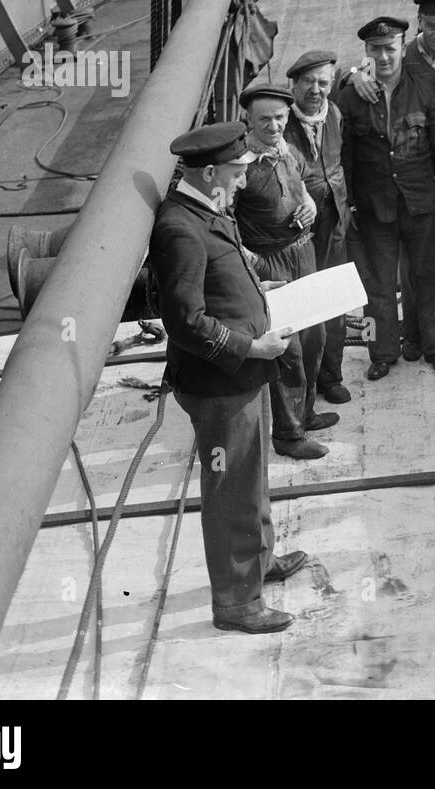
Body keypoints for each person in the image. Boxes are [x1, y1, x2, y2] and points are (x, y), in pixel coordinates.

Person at [149, 122, 309, 635]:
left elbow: (219, 282)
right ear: (212, 171)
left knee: (251, 477)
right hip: (221, 383)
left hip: (243, 376)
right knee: (231, 491)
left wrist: (256, 289)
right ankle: (238, 602)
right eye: (238, 173)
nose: (244, 181)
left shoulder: (208, 209)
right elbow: (186, 321)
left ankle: (259, 561)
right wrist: (251, 345)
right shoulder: (180, 227)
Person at [337, 17, 435, 380]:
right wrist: (349, 204)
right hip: (374, 208)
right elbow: (344, 157)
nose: (384, 56)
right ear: (367, 53)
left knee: (431, 276)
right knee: (377, 287)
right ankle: (382, 353)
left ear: (402, 48)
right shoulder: (350, 97)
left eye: (390, 48)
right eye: (376, 50)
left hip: (422, 202)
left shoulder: (425, 88)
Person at [236, 66, 332, 461]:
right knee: (287, 349)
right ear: (249, 121)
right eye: (264, 120)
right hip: (269, 260)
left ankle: (305, 412)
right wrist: (252, 264)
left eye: (279, 118)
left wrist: (308, 203)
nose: (273, 125)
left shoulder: (287, 150)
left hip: (302, 251)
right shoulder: (240, 166)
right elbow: (223, 224)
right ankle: (289, 436)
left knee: (314, 337)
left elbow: (304, 182)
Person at [283, 49, 350, 405]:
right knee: (304, 304)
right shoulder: (283, 124)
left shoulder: (335, 114)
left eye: (323, 82)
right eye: (308, 82)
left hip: (335, 222)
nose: (316, 90)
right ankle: (303, 384)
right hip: (299, 231)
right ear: (293, 85)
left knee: (335, 300)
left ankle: (331, 376)